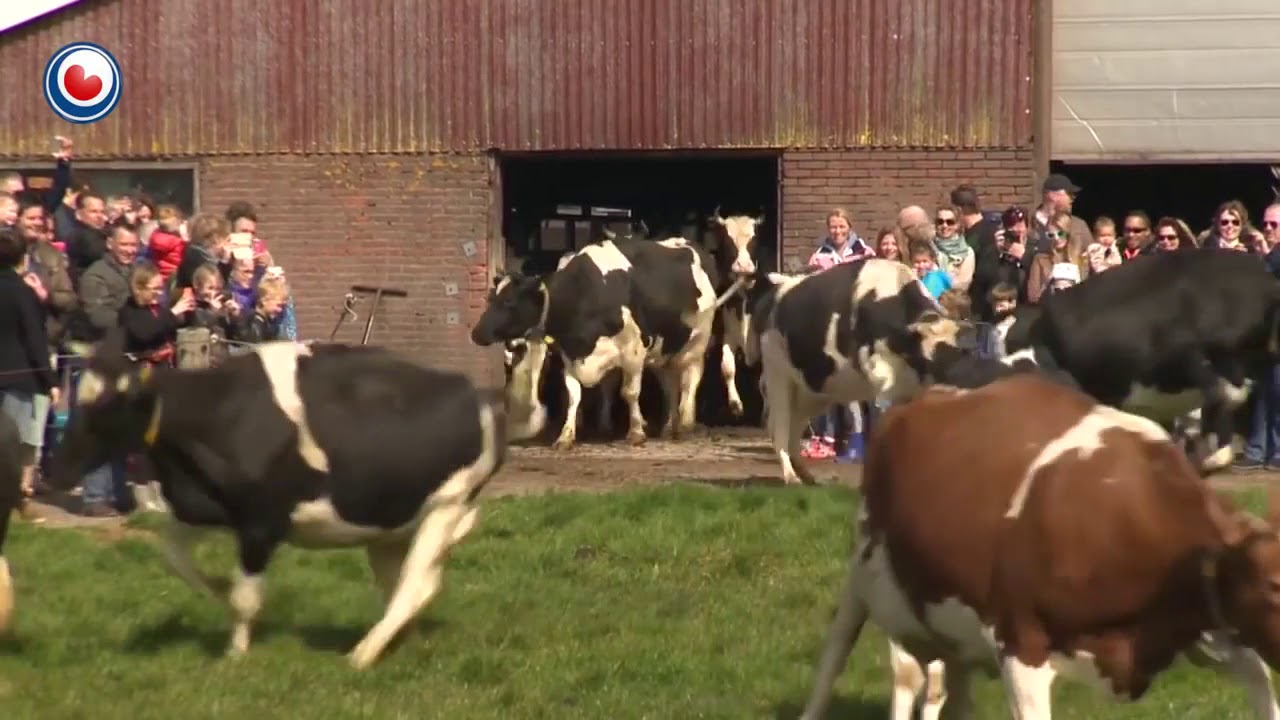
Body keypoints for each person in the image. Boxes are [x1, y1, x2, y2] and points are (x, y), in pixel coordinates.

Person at [0, 228, 59, 507]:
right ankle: (13, 499)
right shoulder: (23, 293)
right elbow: (35, 339)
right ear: (23, 258)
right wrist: (50, 380)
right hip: (19, 376)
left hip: (11, 374)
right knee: (17, 443)